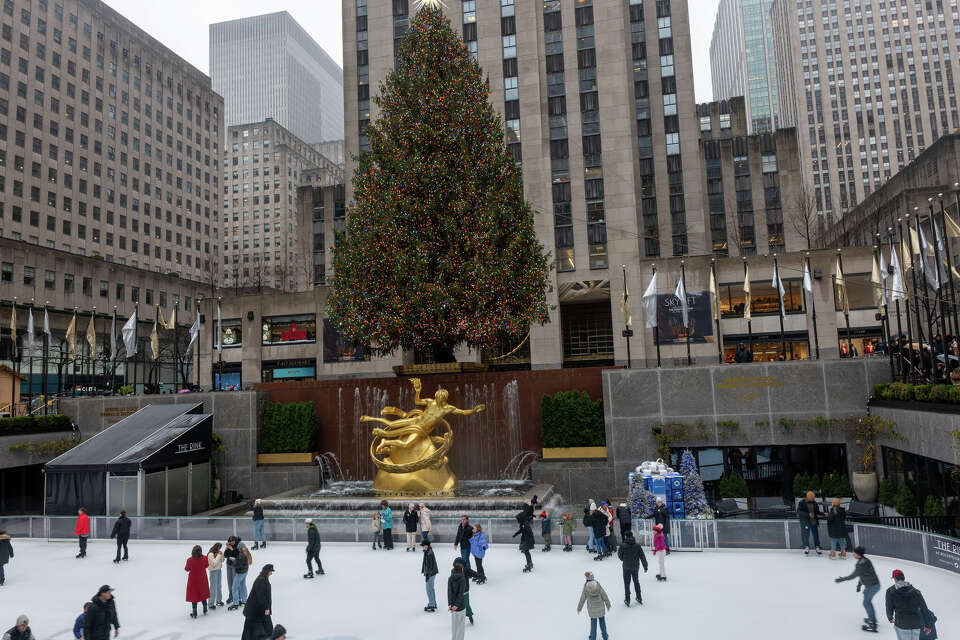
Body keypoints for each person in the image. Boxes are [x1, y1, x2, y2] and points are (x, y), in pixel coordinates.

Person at [834, 545, 881, 633]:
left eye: (854, 553)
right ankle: (872, 619)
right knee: (867, 602)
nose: (853, 554)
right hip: (874, 585)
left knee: (866, 603)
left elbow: (854, 575)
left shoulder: (860, 564)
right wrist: (859, 585)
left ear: (858, 554)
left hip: (872, 586)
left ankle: (873, 624)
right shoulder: (866, 560)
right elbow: (863, 574)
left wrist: (842, 579)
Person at [885, 569, 932, 640]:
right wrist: (928, 625)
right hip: (915, 624)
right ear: (903, 577)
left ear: (894, 578)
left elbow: (889, 606)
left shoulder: (890, 591)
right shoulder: (916, 592)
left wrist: (890, 617)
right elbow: (924, 608)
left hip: (902, 624)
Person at [242, 564, 274, 640]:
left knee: (252, 631)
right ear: (267, 572)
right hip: (256, 611)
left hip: (256, 610)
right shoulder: (261, 581)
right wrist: (266, 608)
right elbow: (261, 597)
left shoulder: (262, 579)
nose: (271, 573)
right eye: (270, 571)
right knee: (262, 629)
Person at [577, 572, 611, 640]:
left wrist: (579, 608)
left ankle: (592, 638)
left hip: (592, 610)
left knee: (593, 624)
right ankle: (605, 636)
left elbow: (582, 599)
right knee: (602, 623)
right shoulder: (598, 586)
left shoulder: (586, 588)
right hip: (601, 608)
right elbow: (604, 595)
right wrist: (608, 604)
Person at [618, 531, 648, 606]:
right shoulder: (637, 545)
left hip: (626, 567)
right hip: (635, 567)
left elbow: (620, 556)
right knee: (636, 581)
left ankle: (627, 599)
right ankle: (639, 597)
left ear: (626, 536)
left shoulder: (623, 545)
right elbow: (642, 556)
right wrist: (645, 566)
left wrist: (623, 560)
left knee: (626, 583)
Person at [226, 536, 252, 610]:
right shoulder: (246, 554)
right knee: (243, 585)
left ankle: (235, 603)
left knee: (234, 587)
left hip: (240, 573)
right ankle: (244, 600)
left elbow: (237, 564)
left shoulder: (241, 555)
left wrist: (233, 561)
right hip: (245, 571)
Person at [185, 545, 210, 618]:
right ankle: (205, 609)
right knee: (203, 593)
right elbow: (206, 565)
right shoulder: (205, 558)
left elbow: (187, 569)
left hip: (193, 580)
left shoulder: (189, 560)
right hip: (202, 579)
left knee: (194, 595)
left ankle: (194, 612)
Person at [452, 557, 478, 625]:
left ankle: (470, 616)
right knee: (457, 606)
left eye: (460, 565)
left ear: (463, 565)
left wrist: (482, 576)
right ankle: (458, 619)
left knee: (466, 605)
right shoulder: (453, 571)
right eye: (456, 565)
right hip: (457, 593)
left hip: (465, 592)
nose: (458, 566)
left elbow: (474, 574)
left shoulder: (466, 570)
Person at [797, 490, 823, 555]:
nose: (812, 499)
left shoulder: (815, 503)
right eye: (811, 498)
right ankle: (806, 546)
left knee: (815, 535)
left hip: (813, 522)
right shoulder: (802, 503)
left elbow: (817, 511)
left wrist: (823, 514)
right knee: (806, 535)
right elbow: (799, 512)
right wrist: (808, 514)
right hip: (806, 522)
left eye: (813, 498)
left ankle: (817, 546)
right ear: (807, 497)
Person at [447, 560, 467, 640]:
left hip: (452, 607)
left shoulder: (450, 578)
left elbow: (449, 591)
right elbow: (460, 593)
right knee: (461, 627)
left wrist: (450, 604)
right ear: (461, 569)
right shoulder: (462, 579)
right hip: (460, 607)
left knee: (454, 627)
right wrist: (456, 605)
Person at [421, 540, 439, 612]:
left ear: (426, 546)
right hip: (432, 573)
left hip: (431, 574)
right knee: (431, 588)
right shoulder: (428, 551)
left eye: (423, 546)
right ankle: (433, 603)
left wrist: (427, 576)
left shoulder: (429, 554)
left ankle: (432, 604)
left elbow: (429, 567)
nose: (422, 547)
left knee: (429, 589)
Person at [207, 543, 225, 611]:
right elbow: (214, 564)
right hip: (213, 571)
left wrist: (221, 554)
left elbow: (222, 560)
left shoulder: (218, 553)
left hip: (219, 571)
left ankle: (219, 601)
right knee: (213, 588)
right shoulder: (210, 554)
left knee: (219, 586)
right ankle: (210, 603)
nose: (219, 549)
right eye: (219, 548)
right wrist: (219, 555)